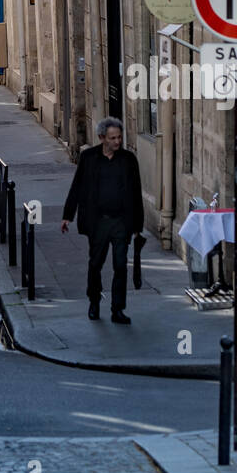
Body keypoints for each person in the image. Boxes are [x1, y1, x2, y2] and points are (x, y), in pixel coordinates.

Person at [60, 117, 144, 324]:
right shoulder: (89, 157)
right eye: (112, 138)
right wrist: (67, 216)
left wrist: (137, 226)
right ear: (101, 138)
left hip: (121, 223)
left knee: (120, 265)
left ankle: (118, 309)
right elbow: (77, 186)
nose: (117, 142)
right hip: (98, 222)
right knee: (95, 264)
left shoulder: (128, 159)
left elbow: (136, 193)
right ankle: (94, 301)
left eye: (119, 137)